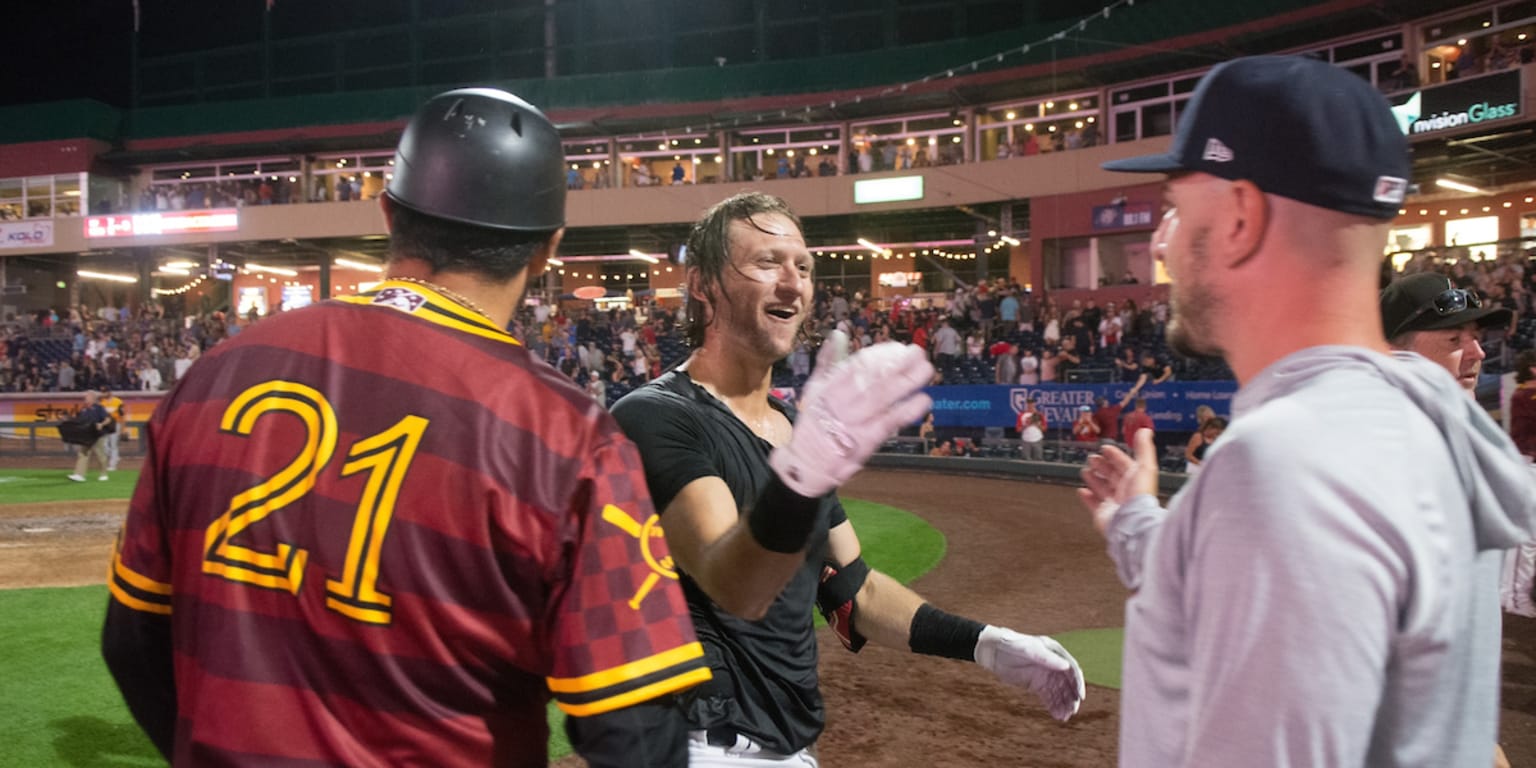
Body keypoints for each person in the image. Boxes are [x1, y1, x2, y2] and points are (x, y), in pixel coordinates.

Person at [101, 88, 710, 767]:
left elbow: (130, 644)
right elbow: (635, 736)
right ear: (547, 250)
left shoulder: (213, 376)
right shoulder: (565, 437)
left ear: (389, 210)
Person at [1078, 56, 1536, 767]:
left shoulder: (1285, 463)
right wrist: (1140, 524)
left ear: (1240, 217)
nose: (1162, 243)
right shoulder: (1422, 420)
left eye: (1177, 207)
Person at [611, 191, 1084, 766]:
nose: (794, 282)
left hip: (786, 747)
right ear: (702, 284)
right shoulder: (654, 417)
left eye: (804, 267)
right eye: (767, 262)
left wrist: (985, 643)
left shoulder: (789, 427)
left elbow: (855, 594)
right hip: (698, 744)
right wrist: (805, 474)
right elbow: (734, 585)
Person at [66, 389, 113, 482]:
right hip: (86, 435)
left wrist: (101, 424)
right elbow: (79, 420)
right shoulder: (83, 409)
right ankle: (79, 474)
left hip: (97, 434)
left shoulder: (99, 408)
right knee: (83, 453)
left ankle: (103, 474)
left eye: (87, 397)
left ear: (93, 398)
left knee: (100, 454)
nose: (85, 398)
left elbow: (108, 419)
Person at [99, 385, 125, 471]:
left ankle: (112, 465)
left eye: (105, 392)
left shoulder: (118, 402)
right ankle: (115, 456)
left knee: (113, 445)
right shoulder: (102, 403)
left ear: (109, 392)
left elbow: (122, 416)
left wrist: (122, 428)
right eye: (102, 392)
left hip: (115, 423)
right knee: (104, 445)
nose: (103, 394)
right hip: (106, 424)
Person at [1017, 397, 1048, 461]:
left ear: (1034, 404)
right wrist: (1027, 424)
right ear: (1027, 404)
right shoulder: (1022, 415)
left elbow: (1044, 429)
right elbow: (1018, 429)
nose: (1030, 405)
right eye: (1029, 403)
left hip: (1037, 439)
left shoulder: (1040, 415)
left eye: (1032, 403)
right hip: (1026, 440)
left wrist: (1036, 424)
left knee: (1038, 459)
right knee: (1026, 460)